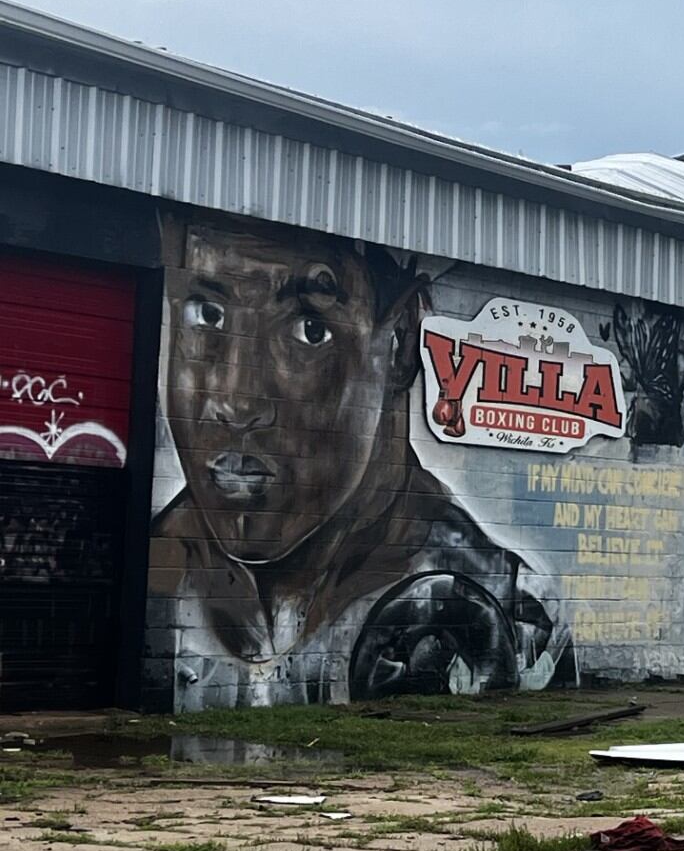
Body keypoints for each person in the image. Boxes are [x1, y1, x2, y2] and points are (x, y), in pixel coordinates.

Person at [149, 220, 575, 709]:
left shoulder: (512, 611)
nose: (235, 402)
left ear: (400, 344)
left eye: (309, 329)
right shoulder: (139, 577)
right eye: (208, 315)